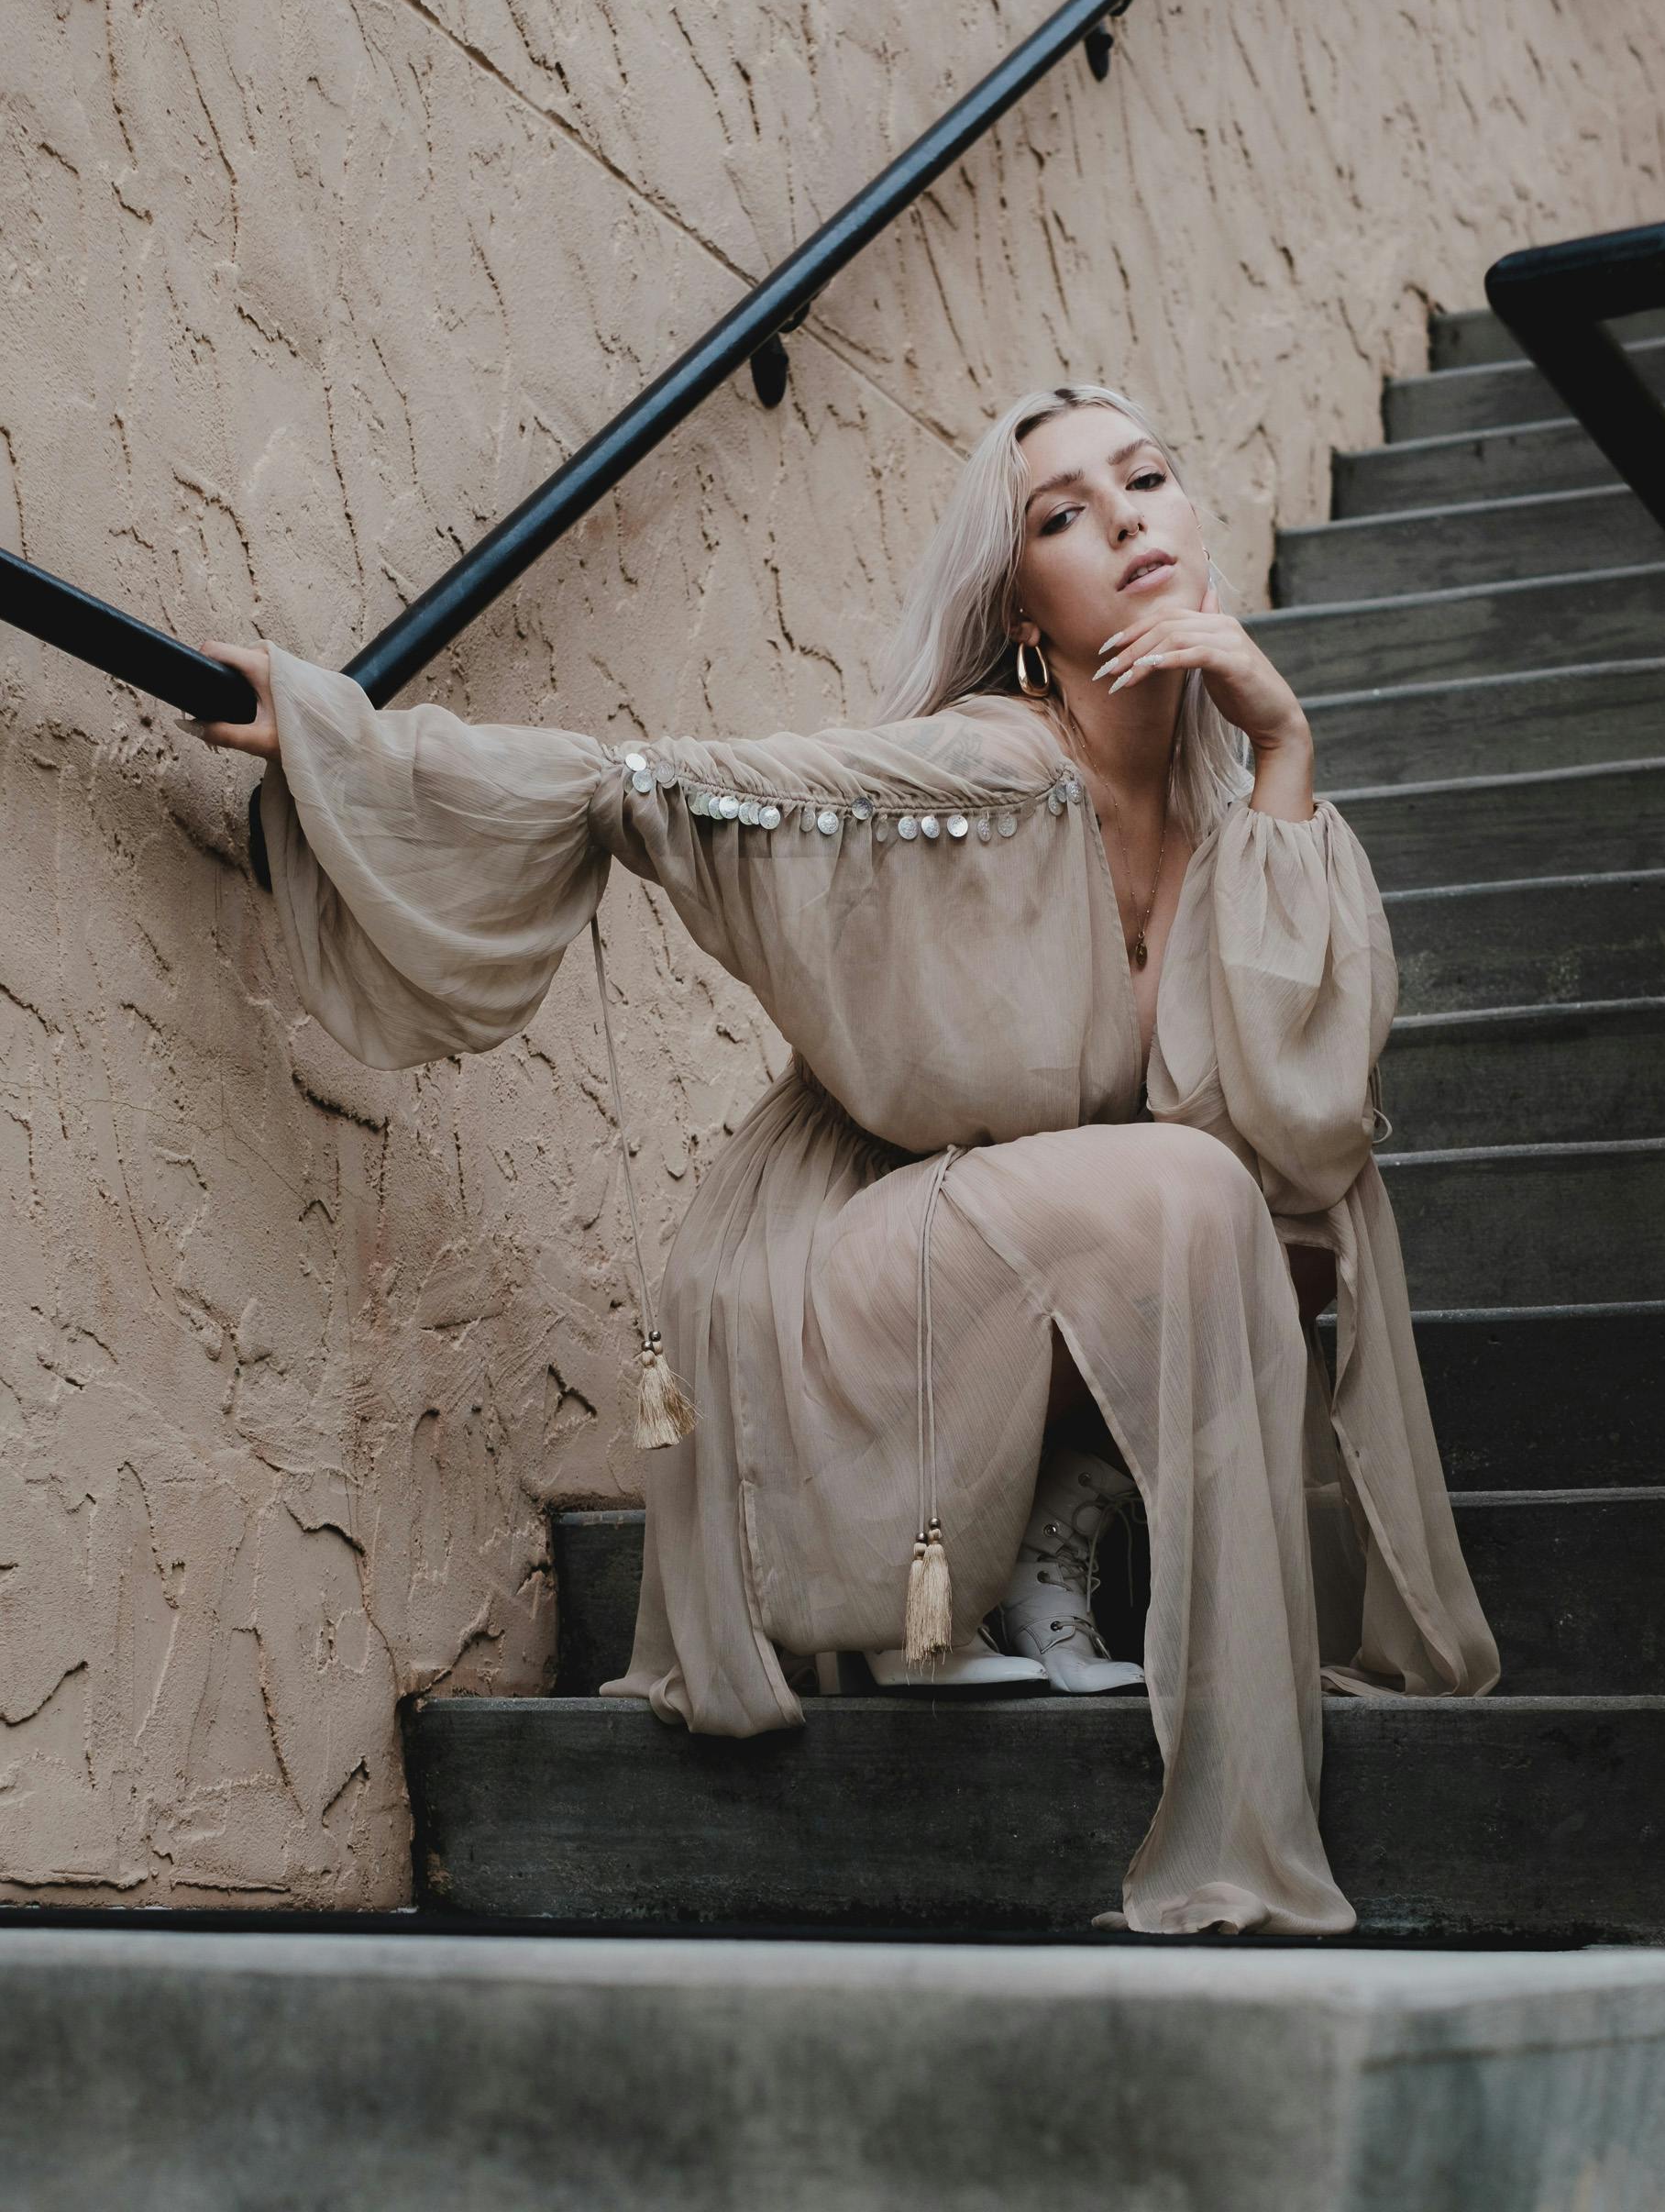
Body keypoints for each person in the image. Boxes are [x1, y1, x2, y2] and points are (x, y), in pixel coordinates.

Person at [188, 382, 1499, 1938]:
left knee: (1300, 1198)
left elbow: (1308, 1106)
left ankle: (1035, 1517)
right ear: (1025, 612)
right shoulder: (987, 770)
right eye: (1065, 513)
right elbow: (657, 785)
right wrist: (343, 732)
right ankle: (908, 1572)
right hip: (841, 1281)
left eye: (1146, 478)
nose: (1129, 516)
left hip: (1011, 1265)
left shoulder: (1226, 831)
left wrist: (1282, 740)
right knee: (1195, 1187)